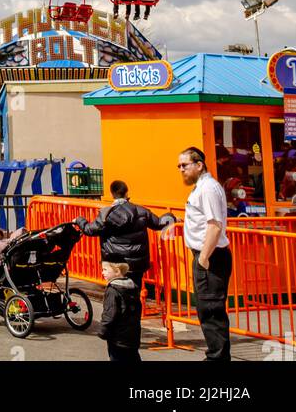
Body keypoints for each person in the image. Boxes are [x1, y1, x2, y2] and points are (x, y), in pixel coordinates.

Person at [176, 146, 232, 362]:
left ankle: (217, 358)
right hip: (208, 254)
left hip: (211, 256)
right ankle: (217, 356)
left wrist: (204, 258)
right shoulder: (202, 187)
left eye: (185, 165)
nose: (181, 170)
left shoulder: (207, 188)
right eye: (179, 166)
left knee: (211, 310)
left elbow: (215, 225)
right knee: (207, 309)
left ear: (199, 165)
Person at [74, 180, 173, 289]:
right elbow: (159, 223)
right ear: (126, 193)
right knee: (135, 292)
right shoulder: (141, 211)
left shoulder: (106, 215)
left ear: (112, 194)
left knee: (117, 292)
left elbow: (89, 230)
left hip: (116, 264)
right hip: (137, 265)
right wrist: (172, 217)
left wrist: (79, 220)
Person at [96, 260, 142, 363]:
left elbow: (110, 313)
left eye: (105, 269)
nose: (102, 272)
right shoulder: (132, 287)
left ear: (117, 271)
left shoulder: (113, 290)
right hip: (132, 336)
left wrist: (103, 330)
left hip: (117, 338)